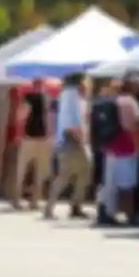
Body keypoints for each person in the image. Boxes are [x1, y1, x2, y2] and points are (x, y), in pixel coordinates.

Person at [46, 74, 92, 220]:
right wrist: (81, 141)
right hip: (73, 141)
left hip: (66, 141)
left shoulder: (66, 97)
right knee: (69, 175)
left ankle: (72, 205)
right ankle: (70, 206)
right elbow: (74, 123)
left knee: (77, 174)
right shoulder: (72, 98)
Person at [101, 79, 139, 224]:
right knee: (127, 183)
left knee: (110, 183)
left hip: (110, 146)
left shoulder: (108, 102)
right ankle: (129, 214)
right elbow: (134, 126)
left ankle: (107, 212)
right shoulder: (130, 102)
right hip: (126, 146)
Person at [13, 79, 54, 210]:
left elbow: (20, 116)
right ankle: (34, 201)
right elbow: (50, 119)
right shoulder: (48, 98)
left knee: (22, 169)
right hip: (43, 139)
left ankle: (17, 200)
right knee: (40, 171)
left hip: (29, 137)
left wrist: (19, 133)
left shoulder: (28, 98)